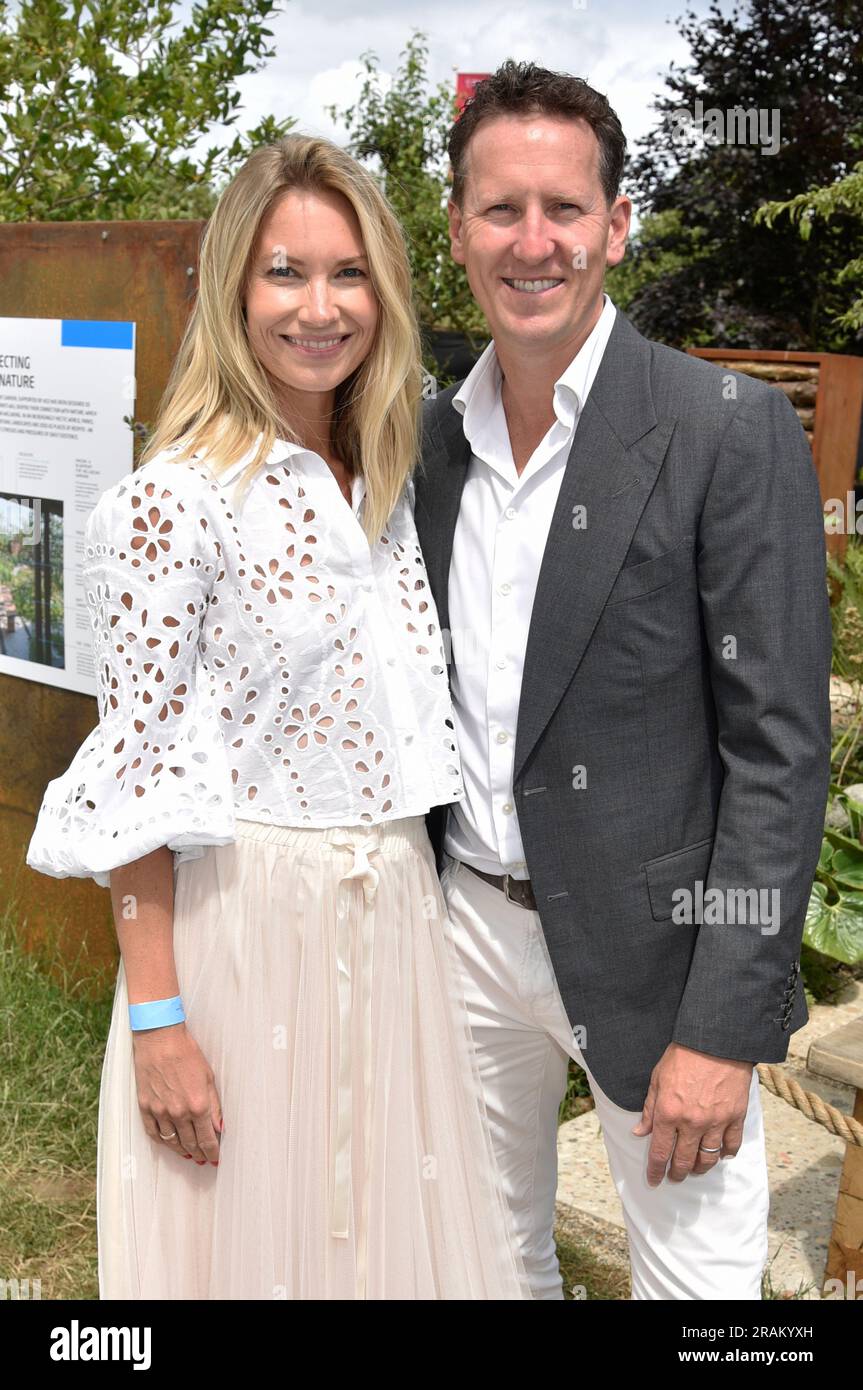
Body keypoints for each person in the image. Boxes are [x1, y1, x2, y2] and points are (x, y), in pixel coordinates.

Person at [26, 133, 533, 1300]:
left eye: (347, 272)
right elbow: (140, 780)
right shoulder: (171, 504)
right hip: (241, 939)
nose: (320, 307)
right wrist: (159, 1020)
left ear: (387, 292)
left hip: (399, 925)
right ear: (231, 289)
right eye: (284, 272)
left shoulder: (394, 481)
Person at [414, 61, 833, 1300]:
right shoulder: (433, 439)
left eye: (561, 208)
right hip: (463, 937)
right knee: (485, 1264)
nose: (530, 241)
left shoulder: (723, 428)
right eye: (499, 210)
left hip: (661, 963)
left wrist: (723, 1025)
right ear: (455, 232)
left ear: (613, 225)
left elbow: (777, 753)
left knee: (696, 1292)